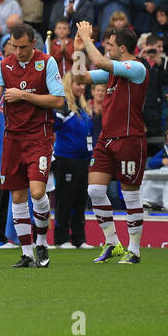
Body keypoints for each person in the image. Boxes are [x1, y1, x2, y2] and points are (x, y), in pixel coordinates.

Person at [0, 23, 67, 268]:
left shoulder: (46, 62)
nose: (18, 51)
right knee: (17, 196)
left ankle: (41, 242)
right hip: (12, 138)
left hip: (39, 136)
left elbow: (59, 100)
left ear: (33, 44)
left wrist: (24, 95)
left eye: (23, 47)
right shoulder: (4, 66)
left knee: (37, 192)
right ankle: (26, 253)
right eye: (14, 46)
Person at [75, 20, 147, 265]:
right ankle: (112, 242)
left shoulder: (137, 68)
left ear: (124, 49)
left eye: (111, 45)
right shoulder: (113, 71)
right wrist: (78, 50)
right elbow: (80, 77)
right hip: (106, 139)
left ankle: (134, 250)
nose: (108, 48)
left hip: (129, 138)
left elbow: (102, 62)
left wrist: (87, 40)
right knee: (94, 190)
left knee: (130, 196)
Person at [51, 67, 94, 248]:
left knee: (80, 199)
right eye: (78, 83)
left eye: (83, 84)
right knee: (65, 199)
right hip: (65, 159)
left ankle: (79, 238)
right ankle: (61, 238)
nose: (82, 87)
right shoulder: (63, 107)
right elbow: (52, 126)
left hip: (83, 159)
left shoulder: (82, 107)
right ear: (70, 84)